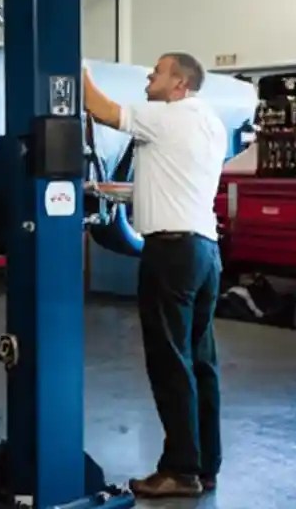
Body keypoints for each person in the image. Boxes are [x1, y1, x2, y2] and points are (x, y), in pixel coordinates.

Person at [82, 53, 227, 499]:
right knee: (200, 362)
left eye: (158, 72)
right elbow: (171, 176)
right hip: (205, 253)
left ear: (180, 84)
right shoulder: (211, 123)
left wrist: (73, 62)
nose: (150, 76)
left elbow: (99, 108)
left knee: (170, 363)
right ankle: (204, 465)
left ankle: (179, 471)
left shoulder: (165, 117)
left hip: (171, 254)